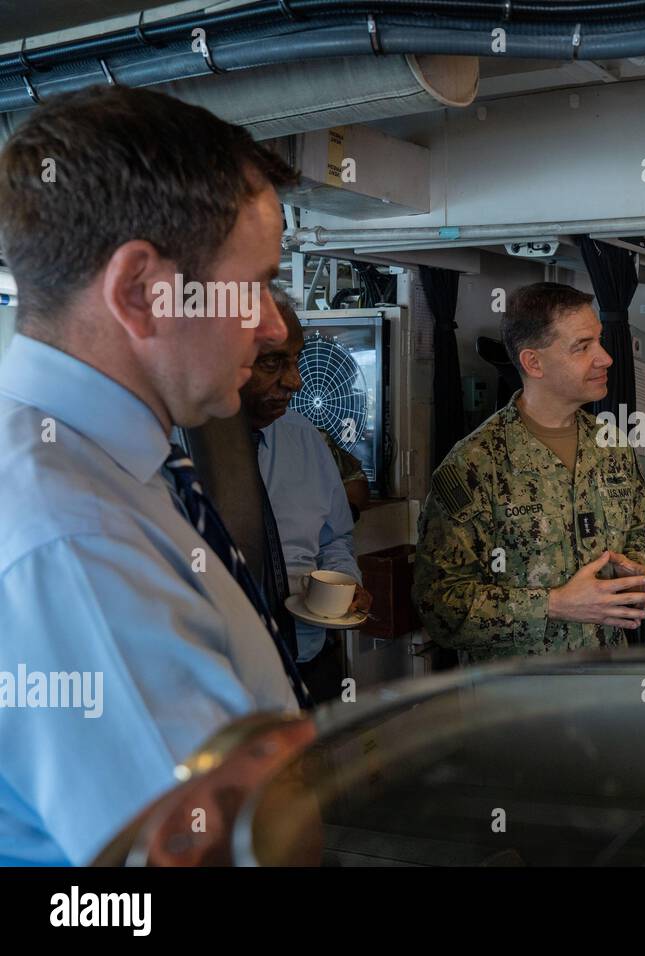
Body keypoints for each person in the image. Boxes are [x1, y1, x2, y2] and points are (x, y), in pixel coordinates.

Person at [0, 86, 300, 865]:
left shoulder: (108, 470)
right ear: (141, 291)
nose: (272, 326)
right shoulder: (74, 539)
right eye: (256, 283)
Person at [414, 282, 645, 662]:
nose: (606, 358)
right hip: (518, 703)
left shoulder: (613, 448)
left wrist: (635, 575)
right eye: (582, 347)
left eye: (600, 341)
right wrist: (555, 604)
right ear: (533, 363)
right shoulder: (476, 465)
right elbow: (442, 608)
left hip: (606, 687)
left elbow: (640, 536)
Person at [239, 289, 373, 704]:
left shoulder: (305, 439)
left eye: (295, 360)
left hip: (311, 662)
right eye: (272, 363)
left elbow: (335, 538)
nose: (295, 381)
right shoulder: (174, 455)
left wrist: (346, 583)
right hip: (226, 685)